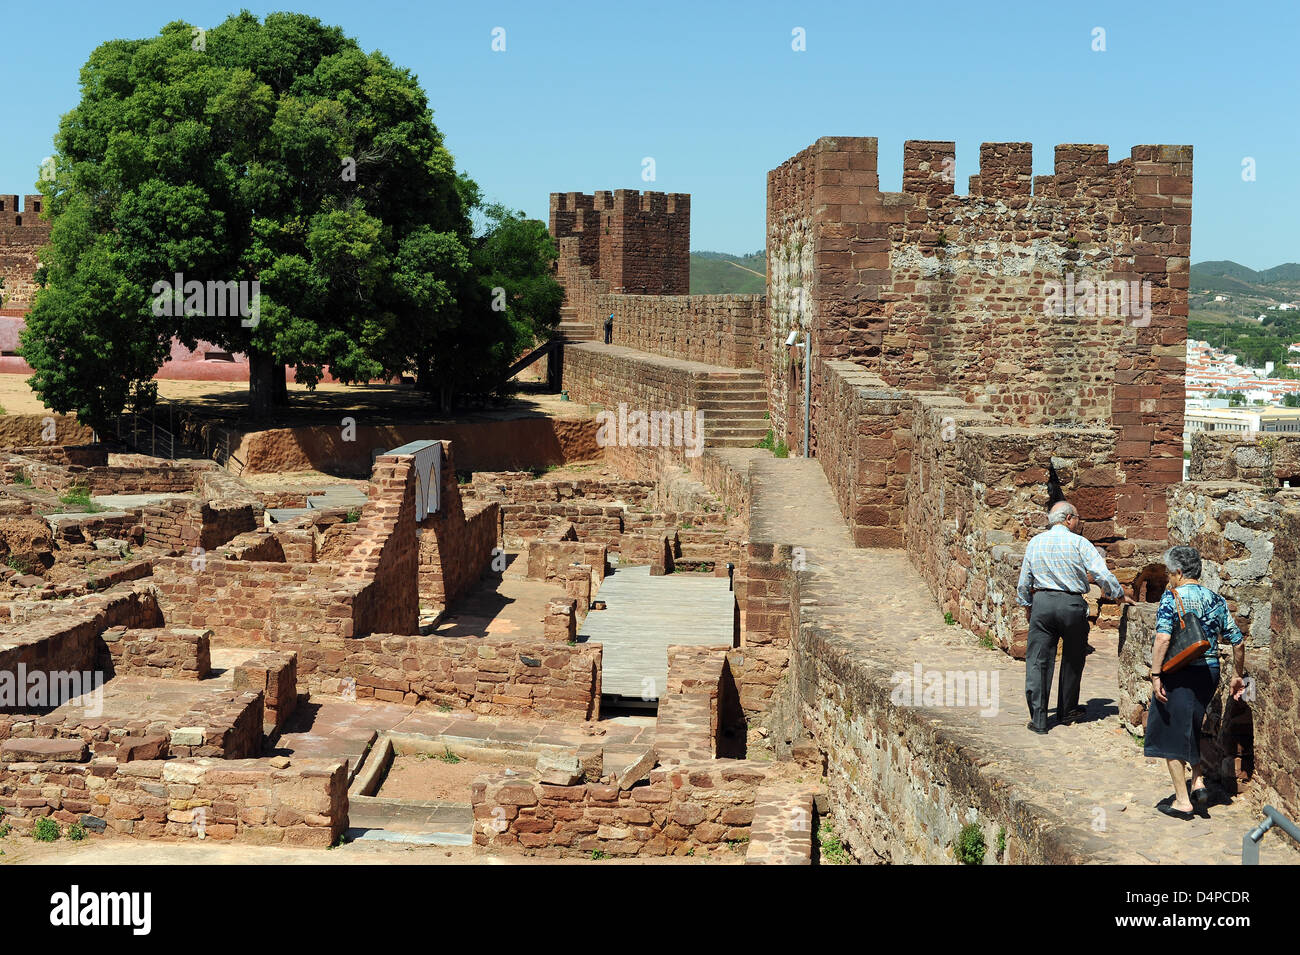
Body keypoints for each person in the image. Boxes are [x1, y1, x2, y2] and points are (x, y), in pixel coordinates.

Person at [1147, 545, 1248, 820]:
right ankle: (1198, 782)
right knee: (1190, 723)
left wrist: (1156, 675)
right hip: (1209, 673)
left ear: (1179, 572)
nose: (1168, 577)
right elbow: (1237, 642)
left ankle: (1182, 801)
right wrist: (1236, 675)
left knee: (1170, 730)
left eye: (1169, 572)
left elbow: (1163, 638)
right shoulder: (1216, 599)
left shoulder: (1172, 597)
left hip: (1180, 670)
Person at [1016, 501, 1134, 734]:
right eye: (1077, 518)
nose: (1078, 522)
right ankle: (1067, 708)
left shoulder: (1035, 542)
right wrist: (1119, 595)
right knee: (1073, 657)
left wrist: (1027, 605)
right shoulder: (1080, 543)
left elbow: (1024, 580)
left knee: (1038, 660)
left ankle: (1039, 718)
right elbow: (1101, 573)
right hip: (1071, 603)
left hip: (1043, 602)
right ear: (1068, 518)